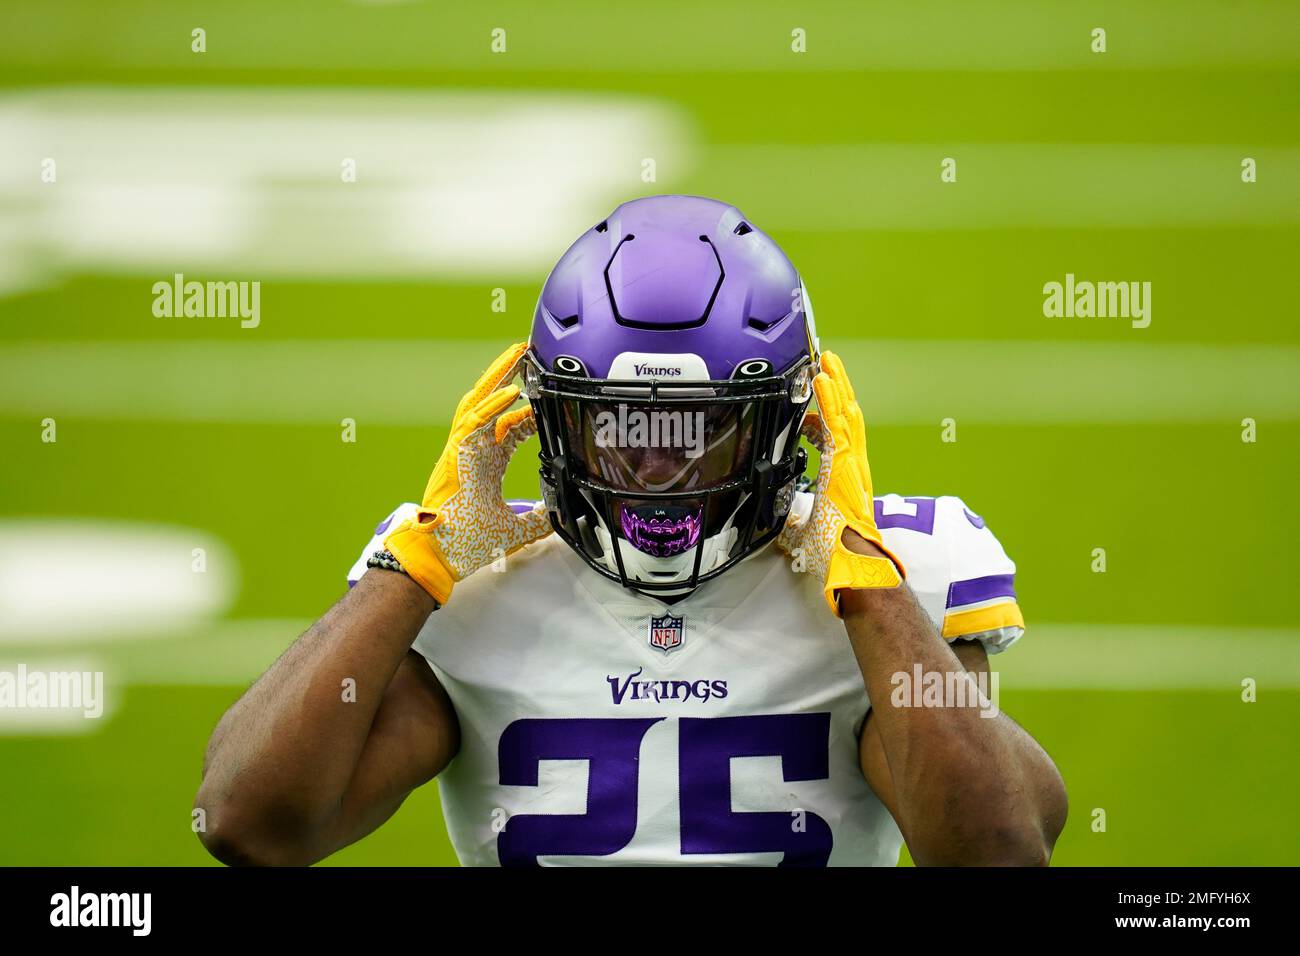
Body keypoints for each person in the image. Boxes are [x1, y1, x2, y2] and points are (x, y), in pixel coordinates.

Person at [195, 195, 1067, 866]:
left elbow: (996, 848)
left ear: (791, 427)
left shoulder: (889, 580)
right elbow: (250, 825)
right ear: (542, 422)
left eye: (699, 429)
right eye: (617, 425)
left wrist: (872, 589)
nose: (657, 467)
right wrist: (414, 565)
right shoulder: (461, 590)